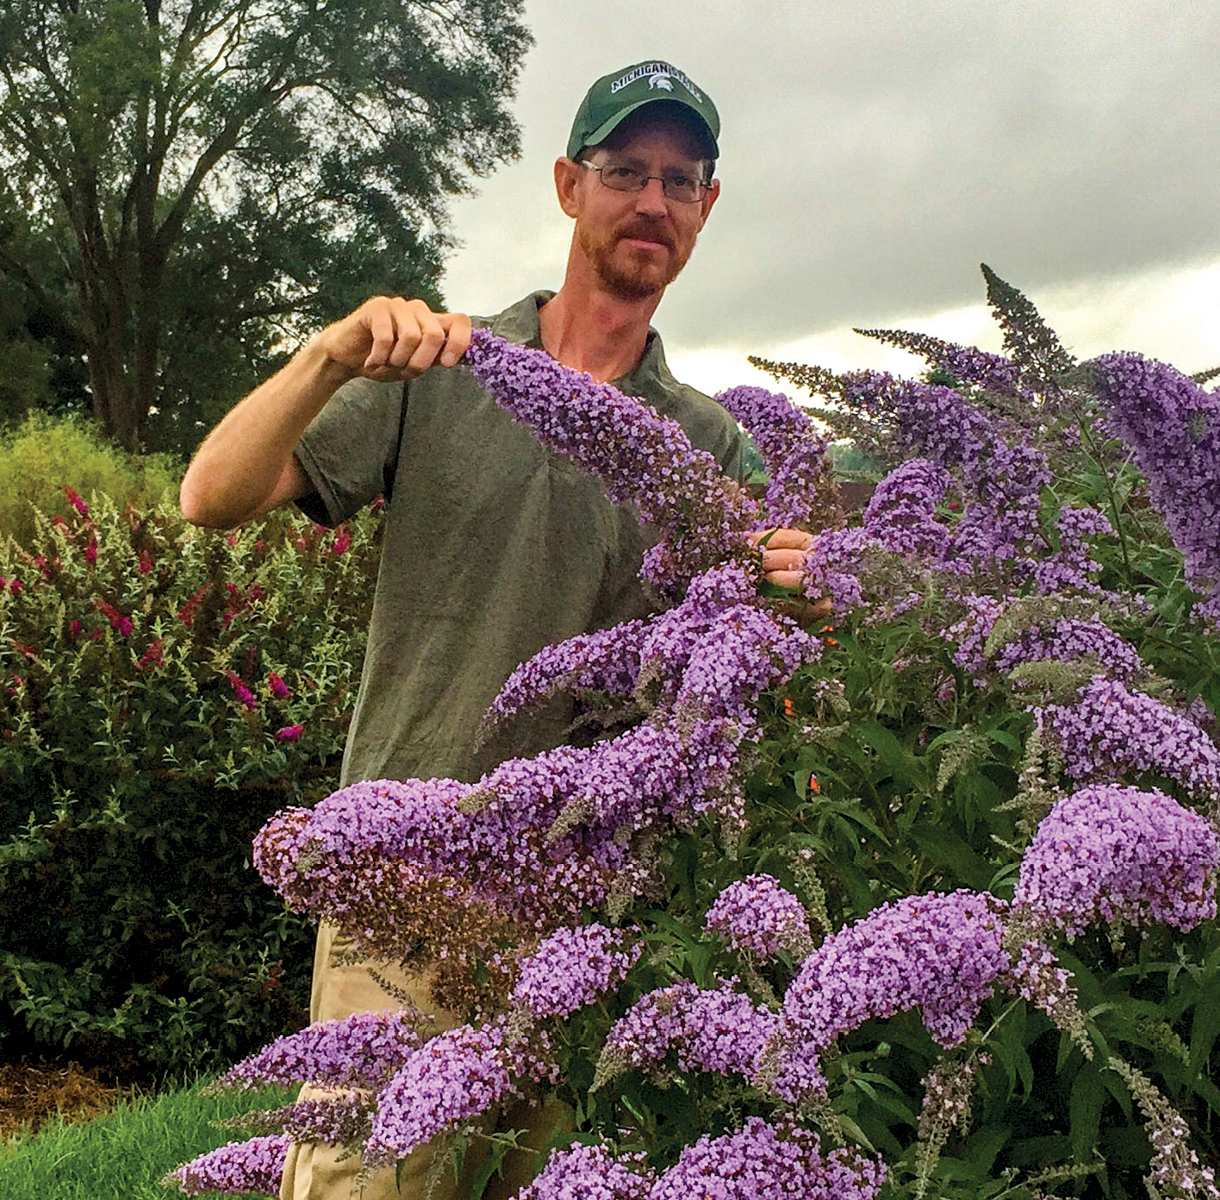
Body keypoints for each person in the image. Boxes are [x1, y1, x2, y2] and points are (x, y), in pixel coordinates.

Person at [181, 61, 809, 1199]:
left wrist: (798, 591)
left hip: (586, 901)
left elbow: (749, 679)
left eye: (682, 179)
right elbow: (210, 496)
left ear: (708, 207)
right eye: (626, 171)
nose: (653, 202)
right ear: (571, 185)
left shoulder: (712, 454)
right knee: (370, 1181)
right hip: (398, 871)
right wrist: (329, 353)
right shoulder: (439, 368)